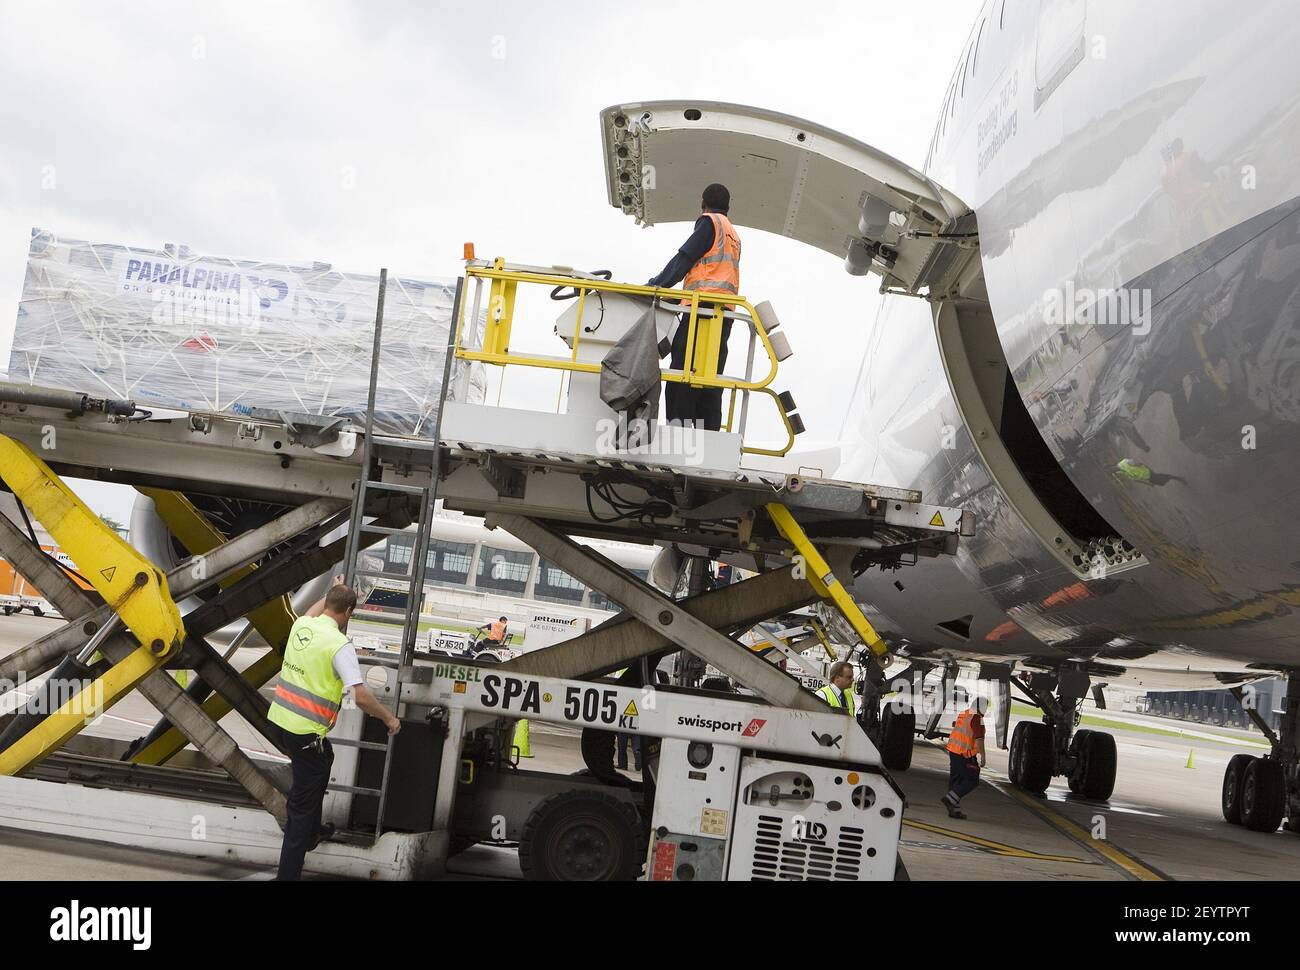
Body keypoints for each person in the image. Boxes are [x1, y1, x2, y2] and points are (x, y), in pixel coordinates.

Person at [266, 581, 400, 880]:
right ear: (349, 612)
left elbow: (316, 611)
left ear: (328, 603)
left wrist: (332, 591)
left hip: (280, 722)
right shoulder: (339, 646)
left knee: (324, 759)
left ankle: (315, 830)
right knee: (300, 807)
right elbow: (361, 696)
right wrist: (389, 719)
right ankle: (288, 873)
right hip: (305, 733)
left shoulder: (303, 625)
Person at [647, 182, 742, 430]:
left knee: (683, 370)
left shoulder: (709, 222)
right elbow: (714, 275)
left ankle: (677, 428)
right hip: (722, 313)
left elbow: (684, 258)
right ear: (728, 206)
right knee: (709, 375)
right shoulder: (733, 234)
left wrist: (655, 285)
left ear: (703, 203)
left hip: (702, 311)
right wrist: (677, 298)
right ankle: (707, 431)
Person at [941, 696, 988, 820]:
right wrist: (983, 756)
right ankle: (950, 799)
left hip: (954, 751)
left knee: (956, 780)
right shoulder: (977, 718)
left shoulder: (964, 714)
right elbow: (979, 739)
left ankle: (954, 810)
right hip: (965, 754)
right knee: (972, 780)